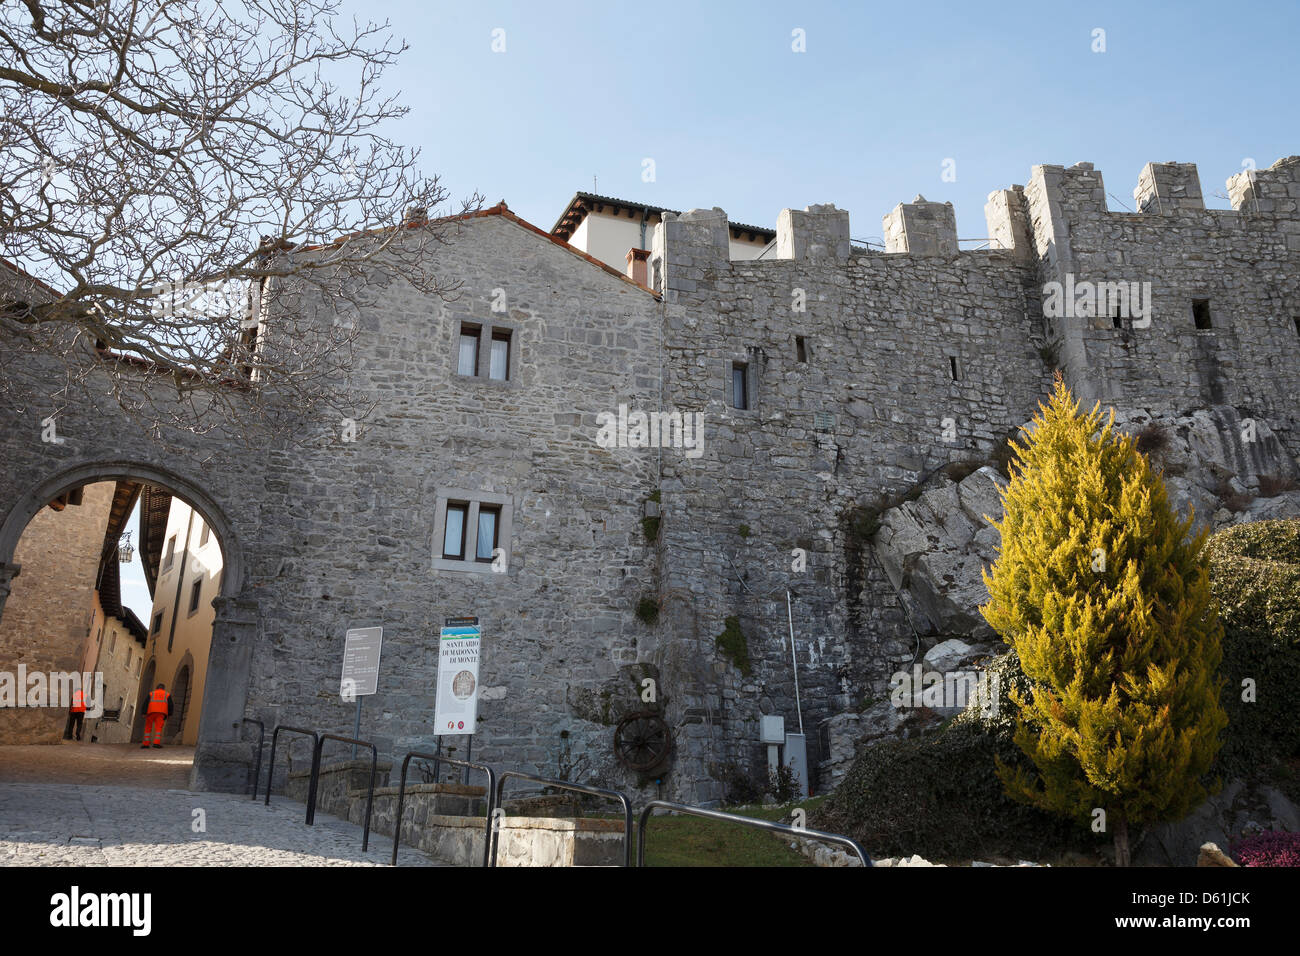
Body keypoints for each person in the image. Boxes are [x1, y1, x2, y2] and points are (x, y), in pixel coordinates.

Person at [142, 683, 171, 749]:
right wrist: (169, 714)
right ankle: (156, 743)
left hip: (151, 712)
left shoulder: (151, 694)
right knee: (158, 728)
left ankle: (146, 744)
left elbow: (145, 703)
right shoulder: (167, 694)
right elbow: (170, 705)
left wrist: (143, 713)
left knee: (148, 727)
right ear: (163, 688)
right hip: (161, 713)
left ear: (156, 688)